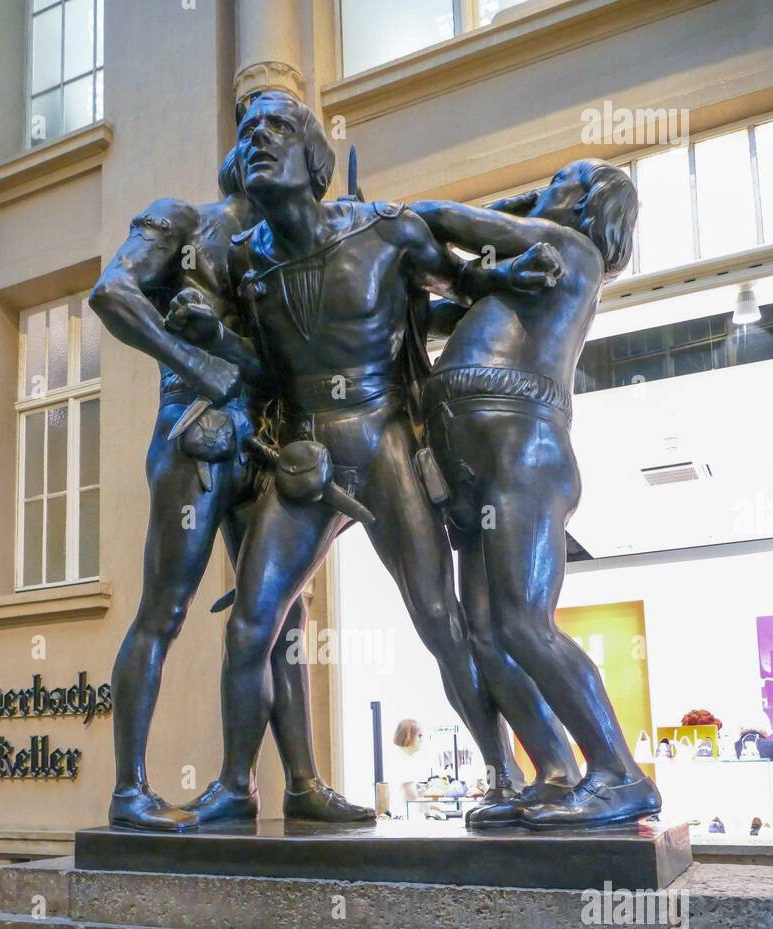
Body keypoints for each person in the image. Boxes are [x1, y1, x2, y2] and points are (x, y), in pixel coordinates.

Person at [177, 91, 563, 824]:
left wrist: (508, 276)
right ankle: (235, 785)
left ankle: (506, 775)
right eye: (247, 130)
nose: (257, 139)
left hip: (383, 436)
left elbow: (460, 283)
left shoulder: (387, 231)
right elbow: (259, 369)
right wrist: (215, 337)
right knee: (250, 626)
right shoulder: (242, 264)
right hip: (305, 452)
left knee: (438, 619)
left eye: (277, 128)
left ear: (314, 157)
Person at [89, 149, 370, 830]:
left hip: (269, 443)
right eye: (255, 140)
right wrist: (191, 358)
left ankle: (300, 782)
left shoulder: (280, 254)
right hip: (199, 433)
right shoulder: (179, 221)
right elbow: (112, 293)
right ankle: (130, 792)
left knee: (283, 619)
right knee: (165, 610)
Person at [415, 162, 662, 828]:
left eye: (561, 180)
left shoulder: (566, 250)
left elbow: (439, 215)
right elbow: (434, 304)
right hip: (475, 463)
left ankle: (620, 773)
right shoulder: (519, 278)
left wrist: (518, 205)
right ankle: (554, 772)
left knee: (524, 623)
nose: (549, 185)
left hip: (523, 453)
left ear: (581, 204)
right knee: (485, 633)